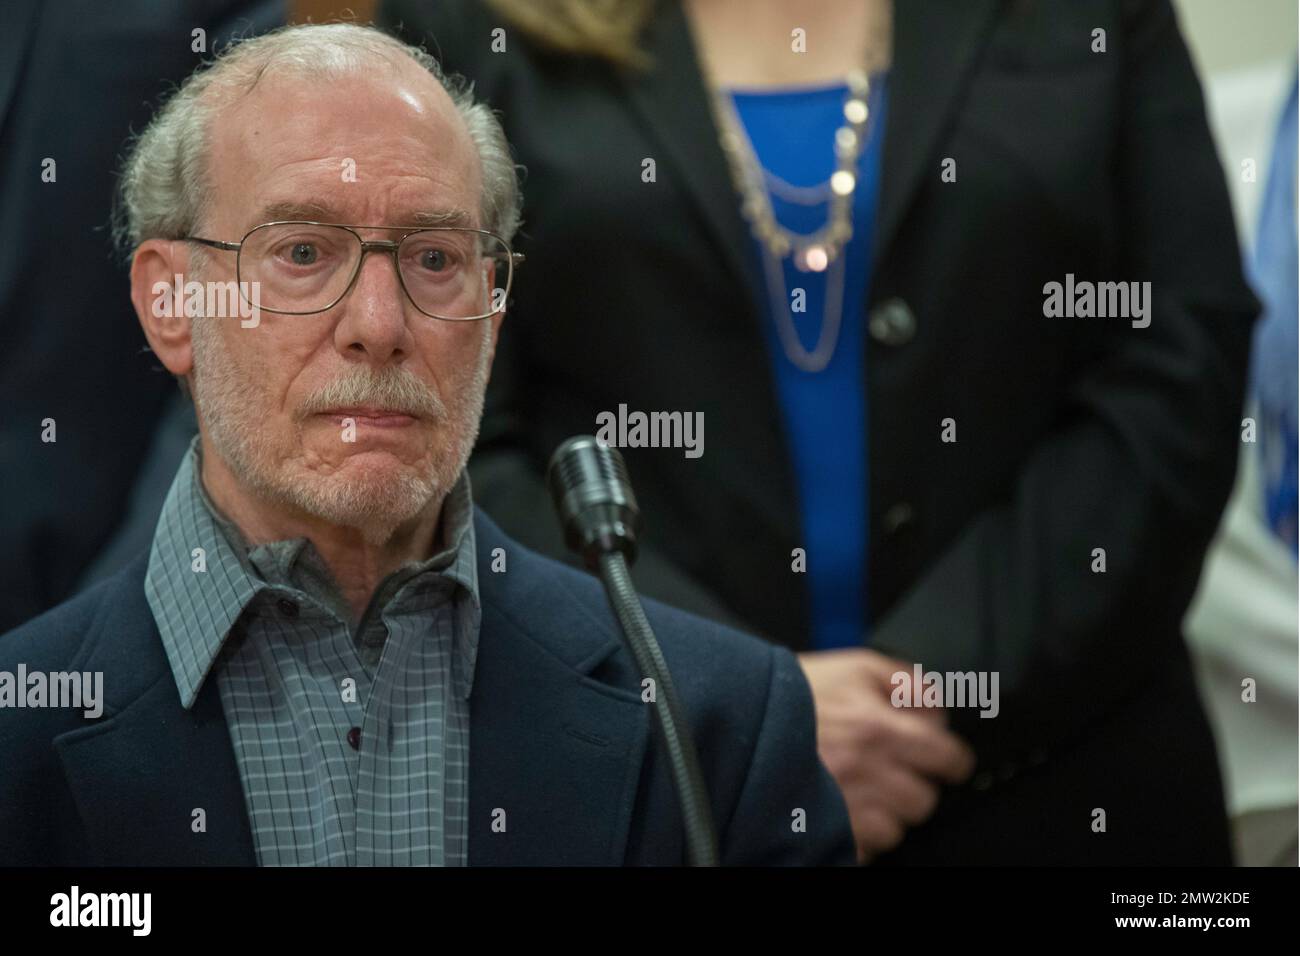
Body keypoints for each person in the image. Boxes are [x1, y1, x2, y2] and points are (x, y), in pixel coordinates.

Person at [381, 0, 1260, 863]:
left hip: (1071, 768)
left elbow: (1180, 359)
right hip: (657, 785)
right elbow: (449, 432)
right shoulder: (469, 22)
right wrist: (746, 703)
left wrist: (938, 675)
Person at [0, 23, 854, 867]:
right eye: (302, 251)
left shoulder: (716, 725)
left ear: (492, 306)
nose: (380, 325)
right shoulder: (19, 730)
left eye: (436, 258)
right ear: (172, 303)